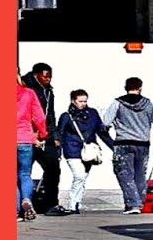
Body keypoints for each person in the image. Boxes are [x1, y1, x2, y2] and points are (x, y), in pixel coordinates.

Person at [102, 77, 153, 214]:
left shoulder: (117, 103)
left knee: (124, 173)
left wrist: (111, 142)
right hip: (143, 144)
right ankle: (139, 202)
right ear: (140, 88)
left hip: (123, 142)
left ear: (125, 87)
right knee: (140, 174)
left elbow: (105, 124)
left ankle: (133, 204)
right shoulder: (149, 103)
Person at [56, 89, 115, 214]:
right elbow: (59, 134)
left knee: (83, 178)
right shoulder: (66, 116)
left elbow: (101, 132)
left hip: (89, 151)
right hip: (72, 150)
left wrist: (113, 147)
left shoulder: (92, 113)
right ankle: (72, 204)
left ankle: (77, 203)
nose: (83, 103)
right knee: (79, 176)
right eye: (80, 101)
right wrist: (57, 153)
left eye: (85, 101)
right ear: (73, 101)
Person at [21, 63, 64, 215]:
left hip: (46, 135)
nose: (48, 79)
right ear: (36, 75)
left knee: (53, 169)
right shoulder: (25, 88)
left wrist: (54, 135)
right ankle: (20, 204)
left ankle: (51, 204)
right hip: (27, 135)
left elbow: (49, 114)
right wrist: (34, 133)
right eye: (45, 76)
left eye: (50, 76)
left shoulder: (48, 91)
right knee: (23, 172)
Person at [17, 72, 48, 222]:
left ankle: (15, 211)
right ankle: (27, 200)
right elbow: (39, 116)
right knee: (24, 174)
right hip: (24, 139)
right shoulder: (29, 93)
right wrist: (42, 134)